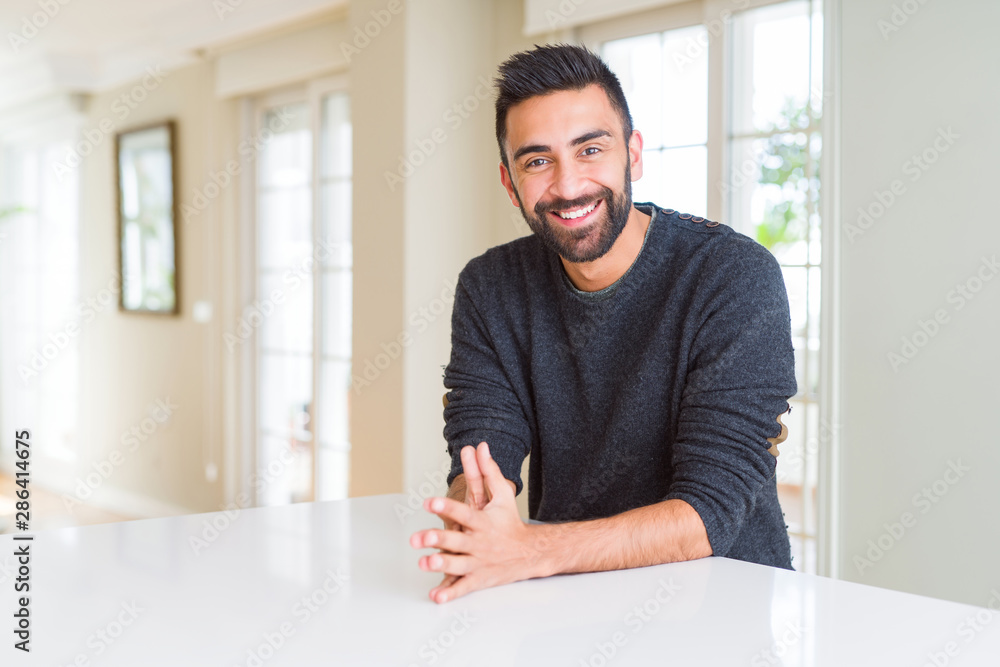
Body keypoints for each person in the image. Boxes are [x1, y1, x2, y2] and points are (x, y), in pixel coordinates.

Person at [409, 44, 796, 604]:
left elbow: (707, 514)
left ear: (633, 155)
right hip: (565, 603)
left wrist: (527, 552)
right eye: (537, 161)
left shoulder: (732, 277)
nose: (568, 186)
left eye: (590, 149)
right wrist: (479, 518)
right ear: (508, 180)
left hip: (720, 609)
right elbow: (482, 450)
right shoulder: (490, 286)